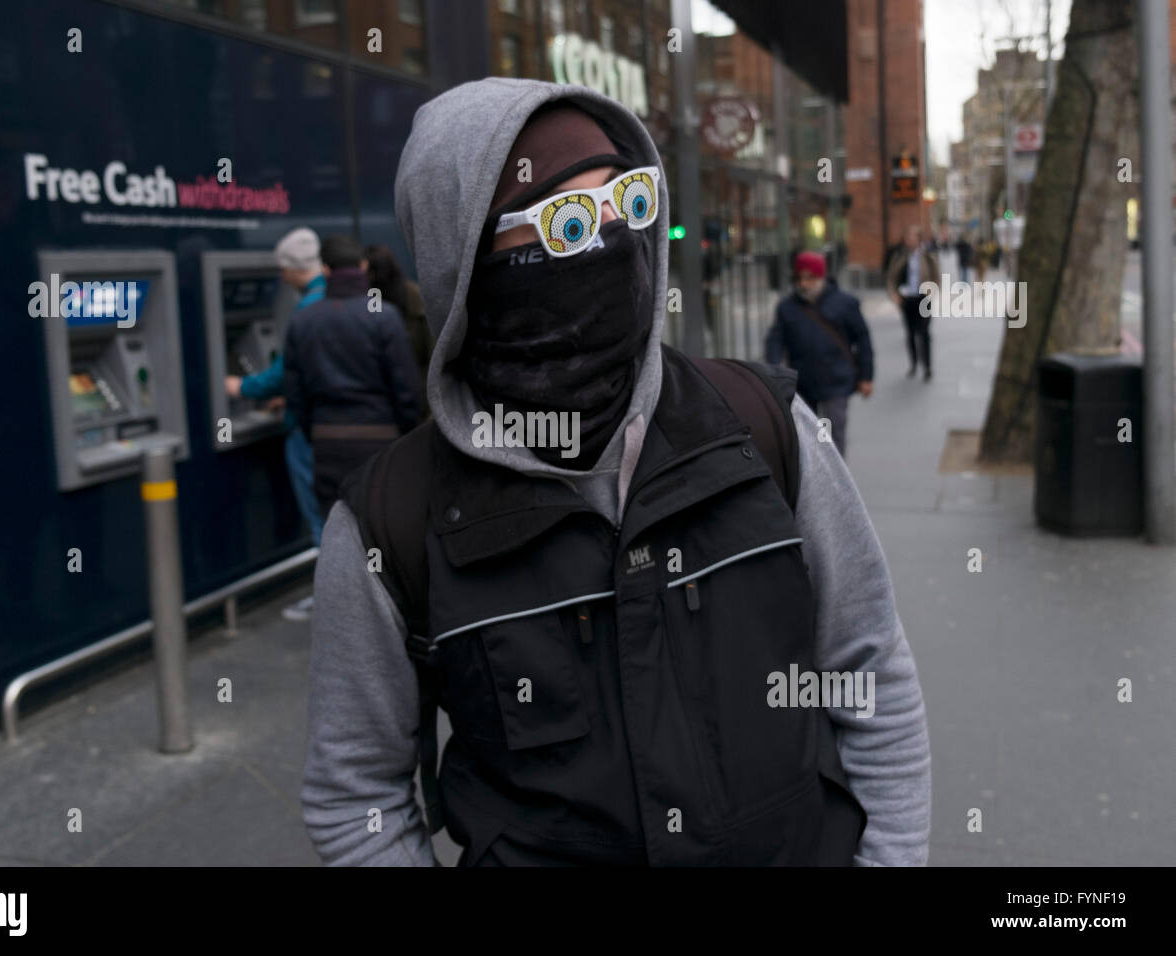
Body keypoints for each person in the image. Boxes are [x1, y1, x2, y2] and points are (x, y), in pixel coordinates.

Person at [300, 80, 930, 867]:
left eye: (627, 204)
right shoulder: (389, 521)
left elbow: (868, 669)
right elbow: (356, 793)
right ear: (467, 262)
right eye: (566, 224)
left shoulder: (763, 426)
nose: (609, 241)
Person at [223, 227, 326, 621]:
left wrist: (243, 385)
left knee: (318, 515)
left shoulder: (306, 310)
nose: (281, 276)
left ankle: (325, 597)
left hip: (306, 427)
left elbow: (282, 372)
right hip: (332, 422)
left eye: (284, 269)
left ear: (295, 269)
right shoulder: (335, 298)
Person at [282, 235, 421, 521]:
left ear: (326, 271)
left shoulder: (302, 321)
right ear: (362, 266)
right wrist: (402, 431)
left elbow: (295, 395)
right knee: (385, 525)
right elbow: (406, 389)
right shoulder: (385, 317)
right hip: (381, 442)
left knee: (337, 525)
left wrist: (315, 432)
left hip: (327, 443)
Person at [765, 251, 873, 457]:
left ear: (821, 277)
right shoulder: (787, 307)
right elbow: (775, 340)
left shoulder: (845, 303)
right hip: (803, 382)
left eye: (810, 278)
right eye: (800, 278)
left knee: (834, 432)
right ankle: (813, 479)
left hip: (837, 381)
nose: (804, 284)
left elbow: (863, 339)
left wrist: (866, 376)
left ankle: (837, 481)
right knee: (806, 435)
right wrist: (773, 370)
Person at [365, 244, 433, 421]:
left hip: (417, 406)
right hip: (382, 410)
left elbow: (433, 361)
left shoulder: (417, 303)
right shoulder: (367, 304)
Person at [885, 224, 940, 381]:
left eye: (913, 237)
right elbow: (891, 277)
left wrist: (932, 290)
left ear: (919, 239)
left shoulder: (927, 256)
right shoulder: (900, 256)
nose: (909, 240)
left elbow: (936, 276)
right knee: (910, 333)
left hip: (923, 298)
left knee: (924, 332)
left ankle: (927, 366)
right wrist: (894, 294)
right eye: (907, 237)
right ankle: (914, 363)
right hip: (906, 299)